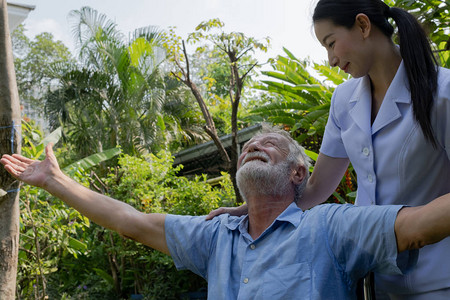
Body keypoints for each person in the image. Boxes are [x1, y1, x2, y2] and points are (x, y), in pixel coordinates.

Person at [2, 127, 450, 300]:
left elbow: (418, 225)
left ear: (298, 172)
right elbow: (130, 221)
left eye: (267, 144)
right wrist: (54, 181)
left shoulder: (330, 225)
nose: (253, 146)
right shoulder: (216, 235)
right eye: (248, 146)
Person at [207, 0, 450, 299]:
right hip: (371, 281)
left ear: (363, 26)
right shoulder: (344, 100)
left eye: (331, 43)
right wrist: (251, 209)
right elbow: (315, 189)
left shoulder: (442, 93)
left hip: (438, 279)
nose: (331, 60)